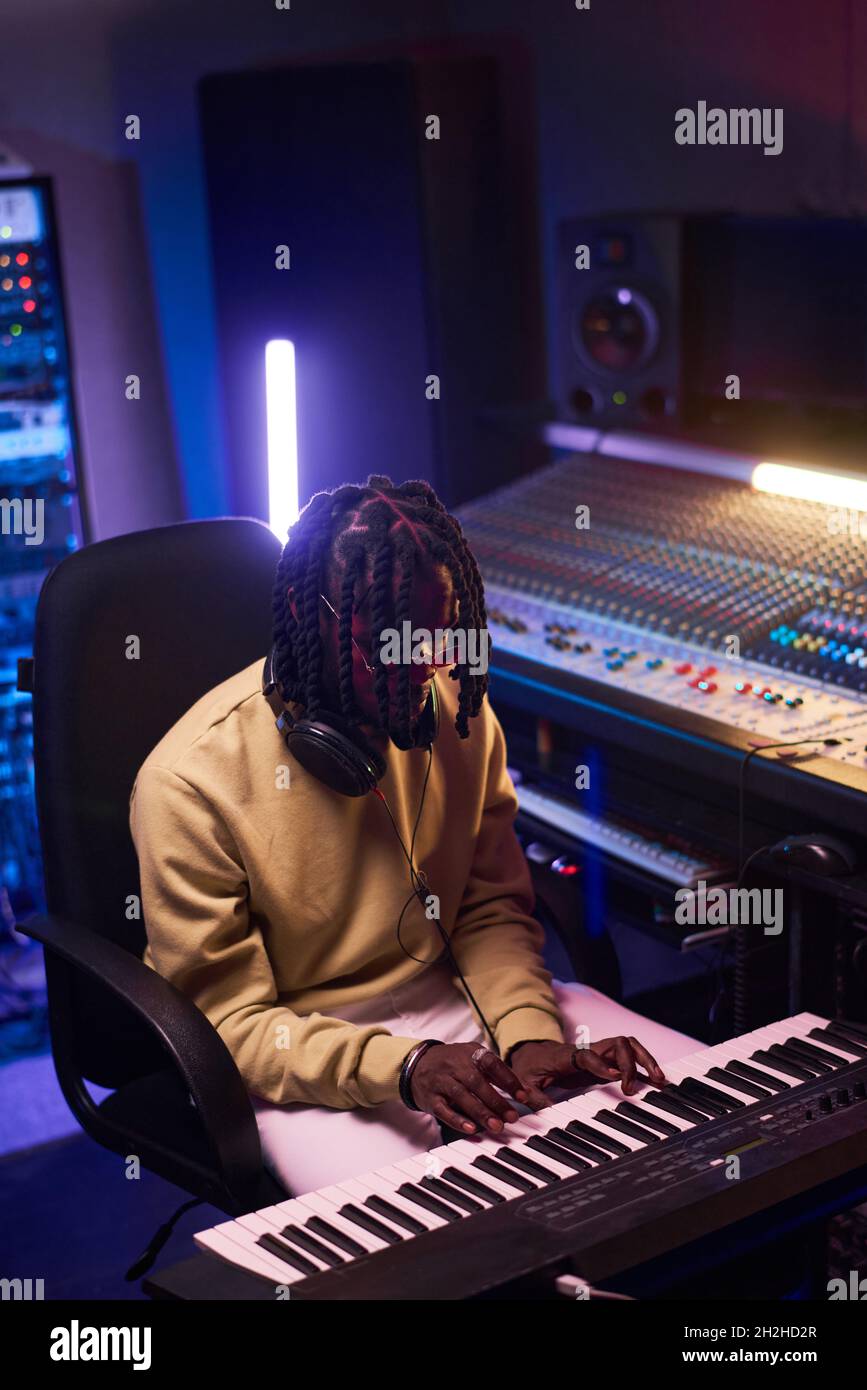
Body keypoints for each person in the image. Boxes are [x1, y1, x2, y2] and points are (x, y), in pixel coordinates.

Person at [130, 475, 698, 1196]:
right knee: (444, 1252)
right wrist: (403, 1066)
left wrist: (529, 1036)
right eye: (391, 643)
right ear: (310, 611)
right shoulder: (187, 783)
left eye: (441, 633)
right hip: (300, 1052)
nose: (425, 666)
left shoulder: (453, 707)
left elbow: (488, 908)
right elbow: (227, 1024)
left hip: (460, 1001)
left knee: (695, 1140)